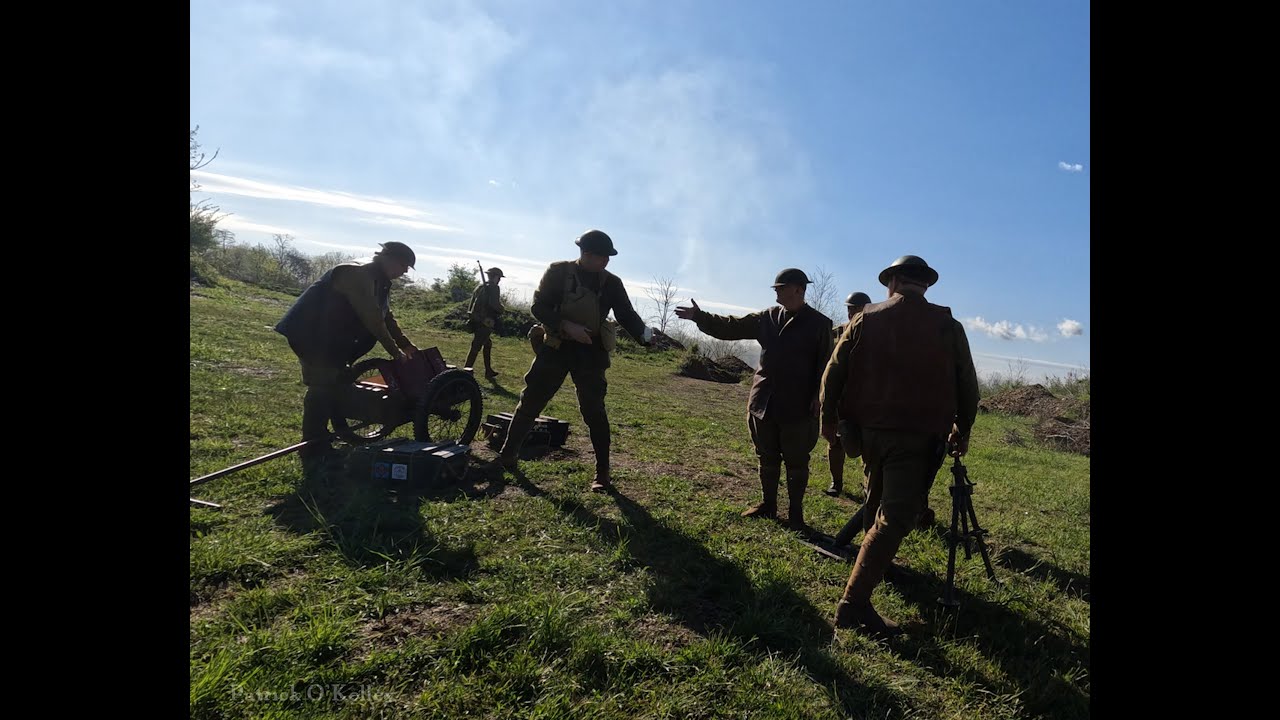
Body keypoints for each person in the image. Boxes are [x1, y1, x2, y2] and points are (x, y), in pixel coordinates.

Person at [820, 255, 979, 637]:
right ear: (926, 285)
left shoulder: (864, 319)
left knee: (876, 501)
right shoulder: (948, 326)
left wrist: (827, 421)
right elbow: (967, 385)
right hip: (917, 434)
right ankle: (853, 605)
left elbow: (834, 372)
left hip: (868, 434)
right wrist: (963, 426)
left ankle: (874, 565)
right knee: (898, 516)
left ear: (891, 282)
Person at [482, 230, 656, 492]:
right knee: (531, 400)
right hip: (556, 346)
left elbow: (626, 313)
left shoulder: (612, 283)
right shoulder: (558, 272)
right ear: (585, 254)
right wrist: (566, 326)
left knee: (594, 411)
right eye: (601, 257)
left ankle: (602, 474)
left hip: (591, 353)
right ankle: (507, 455)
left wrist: (644, 337)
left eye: (608, 257)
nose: (606, 262)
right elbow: (538, 307)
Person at [674, 269, 833, 531]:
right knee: (766, 456)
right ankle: (768, 504)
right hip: (764, 401)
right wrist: (700, 317)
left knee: (797, 461)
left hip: (798, 405)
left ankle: (796, 514)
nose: (776, 292)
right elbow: (731, 326)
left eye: (781, 287)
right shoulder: (767, 317)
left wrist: (820, 397)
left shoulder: (819, 324)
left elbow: (826, 365)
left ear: (798, 289)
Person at [273, 241, 421, 477]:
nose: (404, 272)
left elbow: (385, 315)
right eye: (403, 266)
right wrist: (395, 352)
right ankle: (313, 447)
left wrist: (405, 343)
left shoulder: (380, 279)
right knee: (321, 387)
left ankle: (326, 436)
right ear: (388, 258)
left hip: (333, 339)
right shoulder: (356, 273)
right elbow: (373, 319)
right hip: (312, 335)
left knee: (335, 383)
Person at [825, 291, 872, 497]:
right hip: (840, 397)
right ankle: (836, 482)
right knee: (835, 442)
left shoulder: (876, 333)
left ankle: (868, 486)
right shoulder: (837, 333)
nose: (851, 312)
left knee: (867, 445)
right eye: (849, 308)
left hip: (865, 399)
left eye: (855, 308)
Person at [465, 266, 505, 378]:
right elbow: (495, 305)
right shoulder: (494, 288)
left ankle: (488, 370)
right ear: (496, 277)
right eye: (499, 277)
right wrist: (502, 309)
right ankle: (465, 372)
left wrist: (473, 317)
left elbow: (471, 304)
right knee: (476, 346)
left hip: (476, 319)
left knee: (487, 344)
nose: (499, 280)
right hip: (486, 321)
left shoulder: (479, 287)